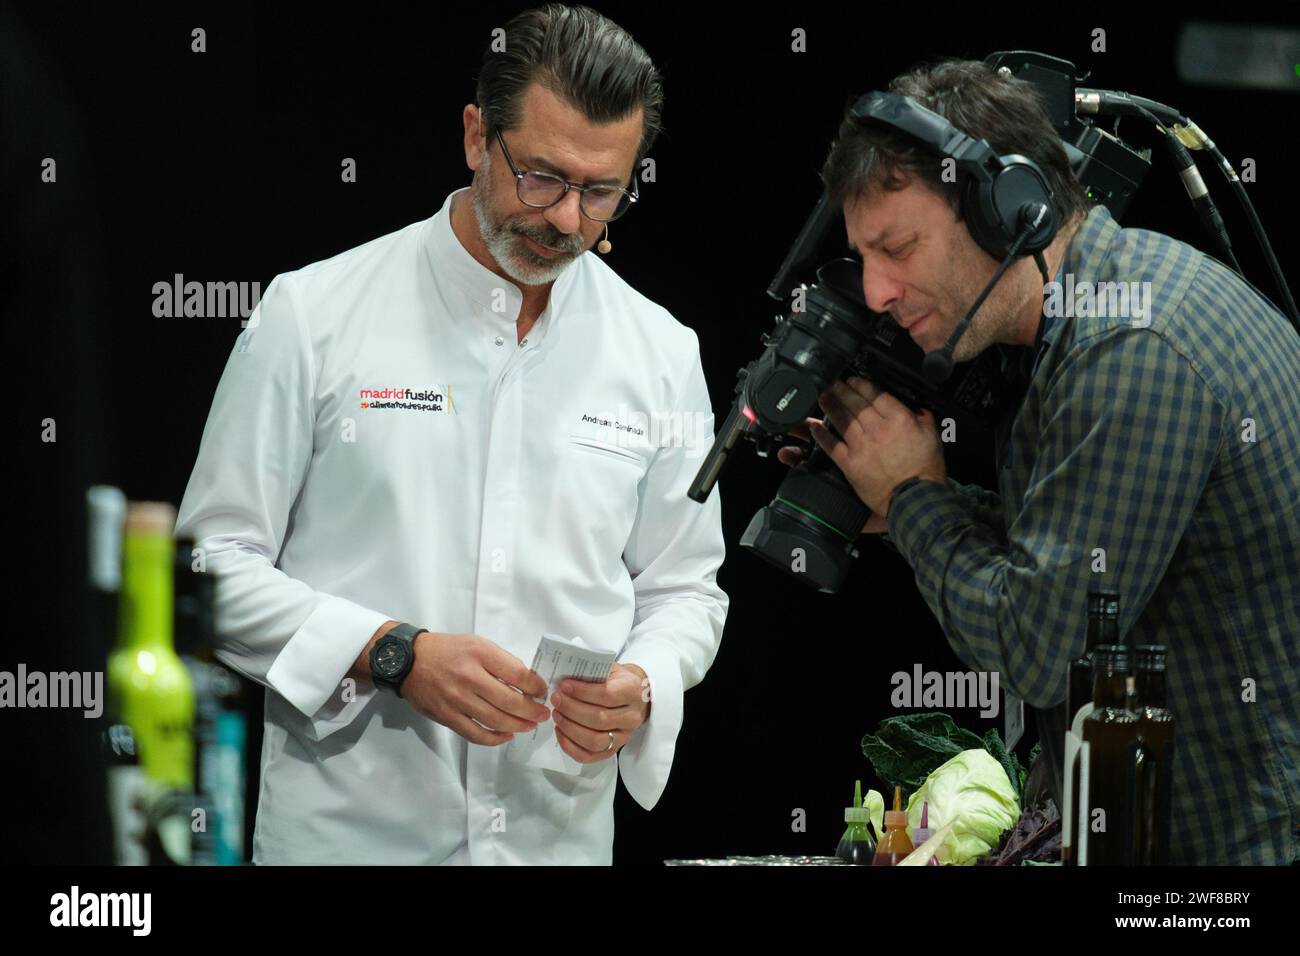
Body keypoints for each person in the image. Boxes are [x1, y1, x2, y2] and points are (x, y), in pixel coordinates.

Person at [175, 3, 728, 864]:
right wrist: (391, 652)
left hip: (557, 842)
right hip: (350, 840)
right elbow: (207, 572)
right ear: (476, 136)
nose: (569, 221)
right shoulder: (315, 315)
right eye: (541, 178)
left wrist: (644, 683)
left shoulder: (660, 350)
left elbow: (687, 589)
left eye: (603, 191)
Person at [781, 58, 1300, 864]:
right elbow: (1087, 550)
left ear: (1009, 211)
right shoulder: (1111, 307)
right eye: (863, 256)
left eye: (899, 247)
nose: (876, 291)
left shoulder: (1131, 350)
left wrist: (916, 497)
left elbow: (1040, 650)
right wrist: (910, 504)